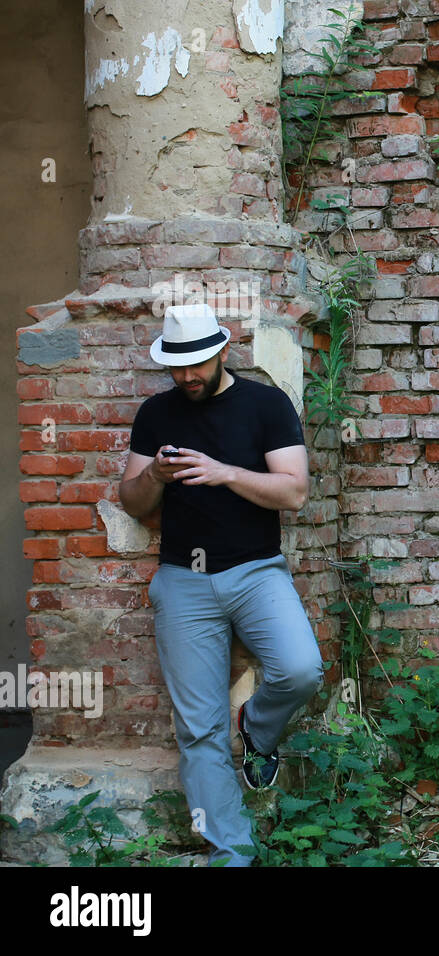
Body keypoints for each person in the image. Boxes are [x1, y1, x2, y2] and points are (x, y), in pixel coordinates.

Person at [118, 302, 323, 867]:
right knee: (199, 731)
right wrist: (154, 477)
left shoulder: (265, 403)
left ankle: (257, 730)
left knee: (301, 669)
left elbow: (294, 492)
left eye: (197, 366)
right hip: (184, 581)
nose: (187, 378)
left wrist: (225, 471)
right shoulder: (155, 413)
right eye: (177, 368)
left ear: (222, 351)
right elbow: (132, 503)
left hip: (257, 572)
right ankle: (232, 853)